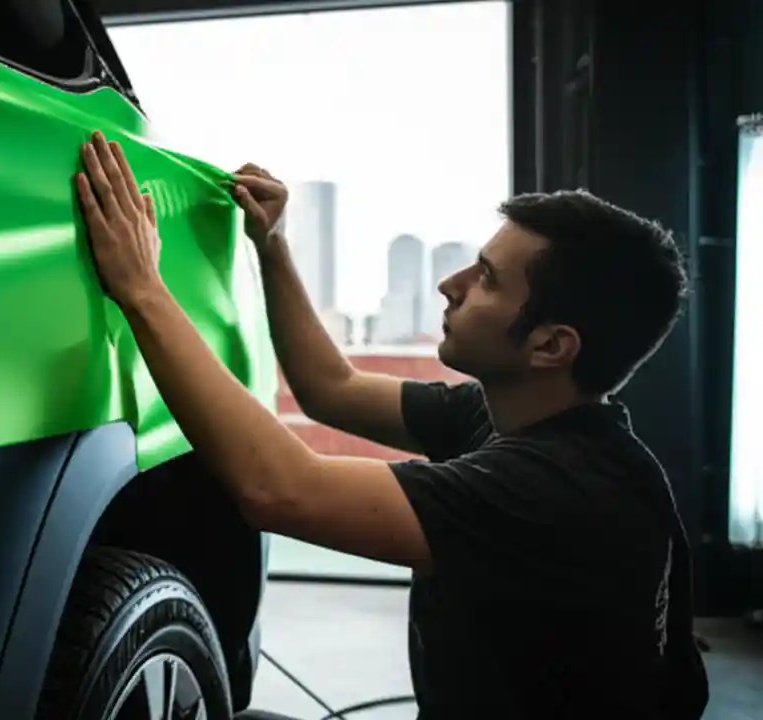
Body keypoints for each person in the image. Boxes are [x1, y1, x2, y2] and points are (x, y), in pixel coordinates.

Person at [71, 131, 709, 718]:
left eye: (485, 279)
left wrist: (142, 288)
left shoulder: (555, 492)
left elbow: (280, 489)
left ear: (550, 346)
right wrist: (272, 246)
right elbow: (332, 388)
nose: (449, 285)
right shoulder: (516, 418)